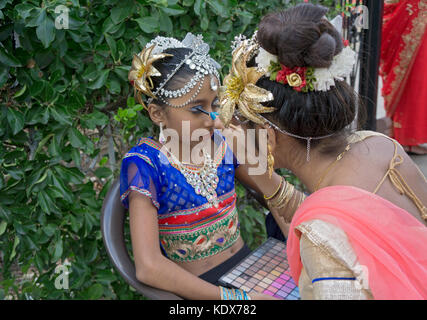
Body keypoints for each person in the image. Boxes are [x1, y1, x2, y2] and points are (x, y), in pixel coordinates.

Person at [219, 3, 427, 299]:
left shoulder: (321, 237)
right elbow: (345, 212)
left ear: (267, 136)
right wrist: (266, 181)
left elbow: (333, 226)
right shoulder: (378, 145)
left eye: (243, 123)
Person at [119, 33, 303, 300]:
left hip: (248, 270)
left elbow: (272, 192)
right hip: (202, 292)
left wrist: (297, 251)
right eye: (197, 109)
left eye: (215, 105)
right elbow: (149, 267)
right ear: (158, 114)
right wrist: (235, 300)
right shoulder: (145, 165)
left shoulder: (222, 145)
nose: (213, 118)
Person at [380, 0, 427, 154]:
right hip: (412, 15)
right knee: (414, 77)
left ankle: (408, 137)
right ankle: (404, 138)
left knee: (417, 78)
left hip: (416, 15)